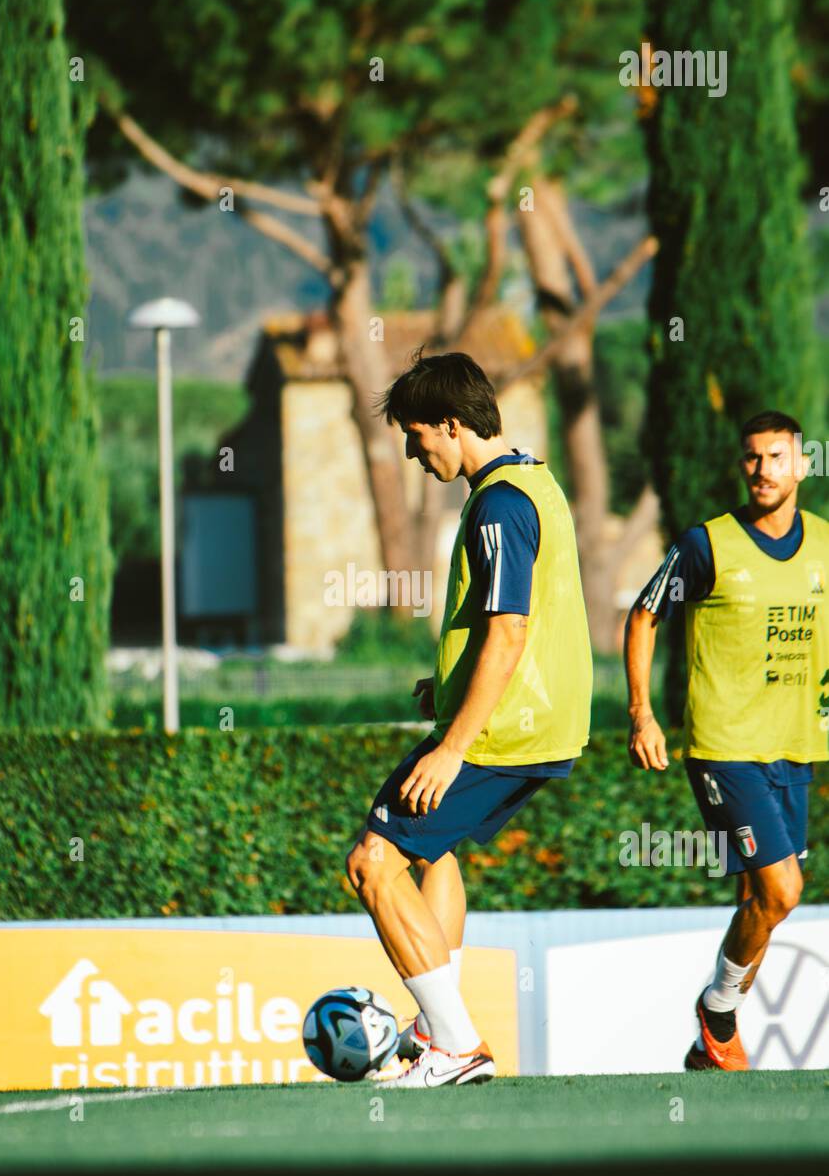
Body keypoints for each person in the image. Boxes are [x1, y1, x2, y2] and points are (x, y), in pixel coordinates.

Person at [345, 348, 593, 1087]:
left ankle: (456, 1044)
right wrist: (447, 687)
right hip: (538, 723)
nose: (415, 454)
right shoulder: (534, 481)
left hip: (499, 733)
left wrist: (451, 744)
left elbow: (509, 630)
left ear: (451, 425)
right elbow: (516, 624)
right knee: (431, 851)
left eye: (417, 436)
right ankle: (433, 1034)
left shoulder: (497, 504)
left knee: (372, 861)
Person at [624, 412, 829, 1070]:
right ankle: (717, 1012)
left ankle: (710, 1044)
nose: (763, 469)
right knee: (782, 890)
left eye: (775, 457)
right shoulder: (706, 545)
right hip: (723, 747)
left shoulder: (825, 544)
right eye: (751, 458)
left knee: (763, 901)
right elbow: (644, 615)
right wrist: (641, 714)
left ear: (801, 465)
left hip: (794, 747)